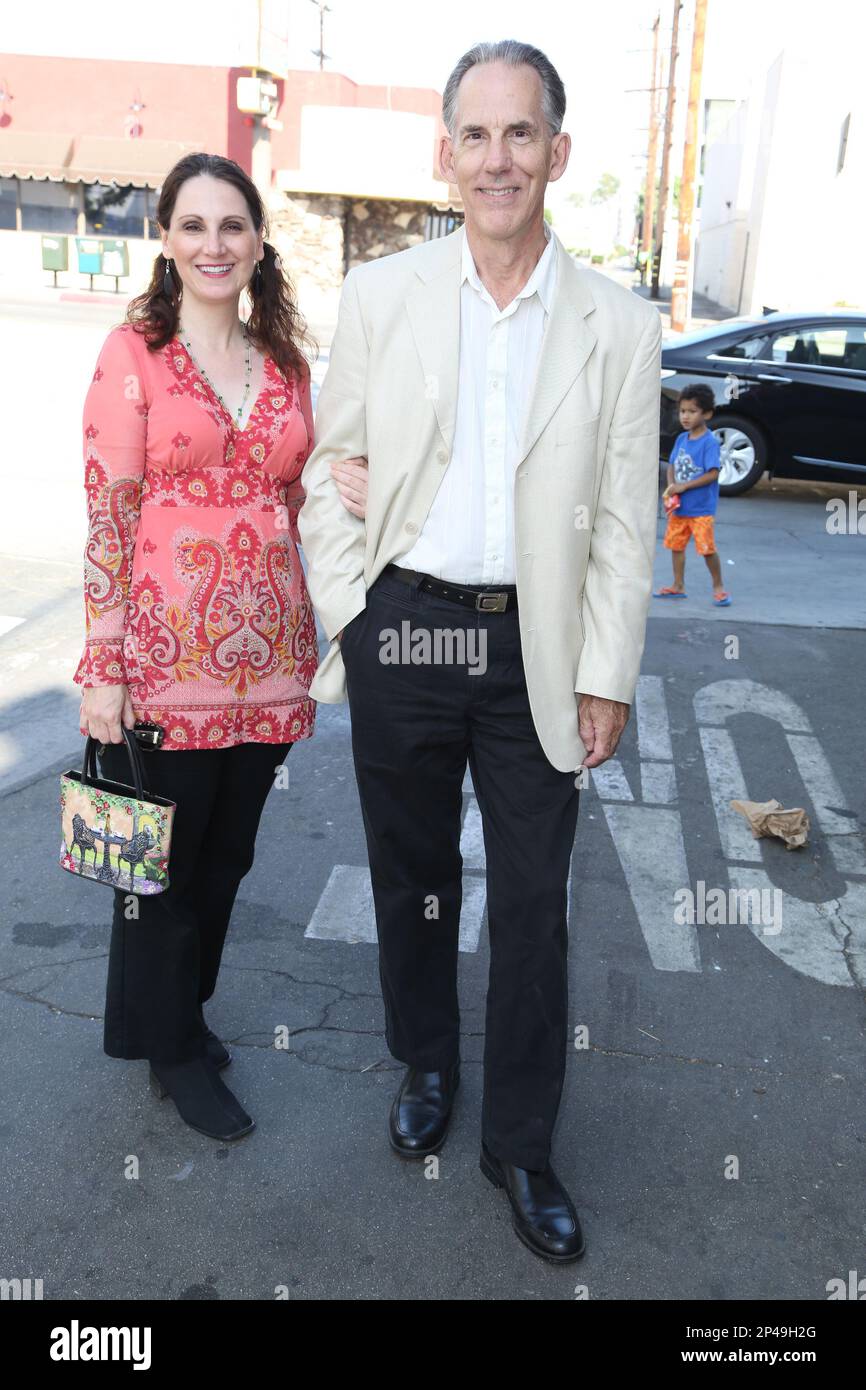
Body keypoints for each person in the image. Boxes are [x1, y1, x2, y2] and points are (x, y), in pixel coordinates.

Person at [298, 41, 663, 1262]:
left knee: (532, 909)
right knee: (410, 881)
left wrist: (604, 667)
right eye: (476, 135)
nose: (498, 158)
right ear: (442, 155)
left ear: (556, 152)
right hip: (403, 626)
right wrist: (353, 612)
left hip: (536, 653)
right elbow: (324, 472)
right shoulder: (385, 296)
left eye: (522, 135)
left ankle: (520, 1140)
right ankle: (424, 1065)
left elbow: (622, 514)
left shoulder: (618, 324)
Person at [74, 152, 367, 1142]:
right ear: (165, 236)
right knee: (160, 870)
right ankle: (171, 1053)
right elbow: (110, 518)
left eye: (230, 225)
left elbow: (303, 499)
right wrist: (101, 669)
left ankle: (176, 1018)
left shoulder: (283, 362)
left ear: (255, 239)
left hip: (271, 661)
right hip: (164, 666)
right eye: (192, 225)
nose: (212, 244)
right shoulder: (134, 354)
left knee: (225, 862)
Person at [654, 383, 731, 606]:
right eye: (682, 411)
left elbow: (713, 474)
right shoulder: (681, 440)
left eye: (692, 411)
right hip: (679, 508)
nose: (685, 417)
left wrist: (684, 487)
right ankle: (678, 585)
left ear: (706, 413)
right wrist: (671, 487)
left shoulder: (709, 443)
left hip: (701, 509)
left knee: (707, 549)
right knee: (676, 547)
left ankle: (718, 587)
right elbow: (672, 466)